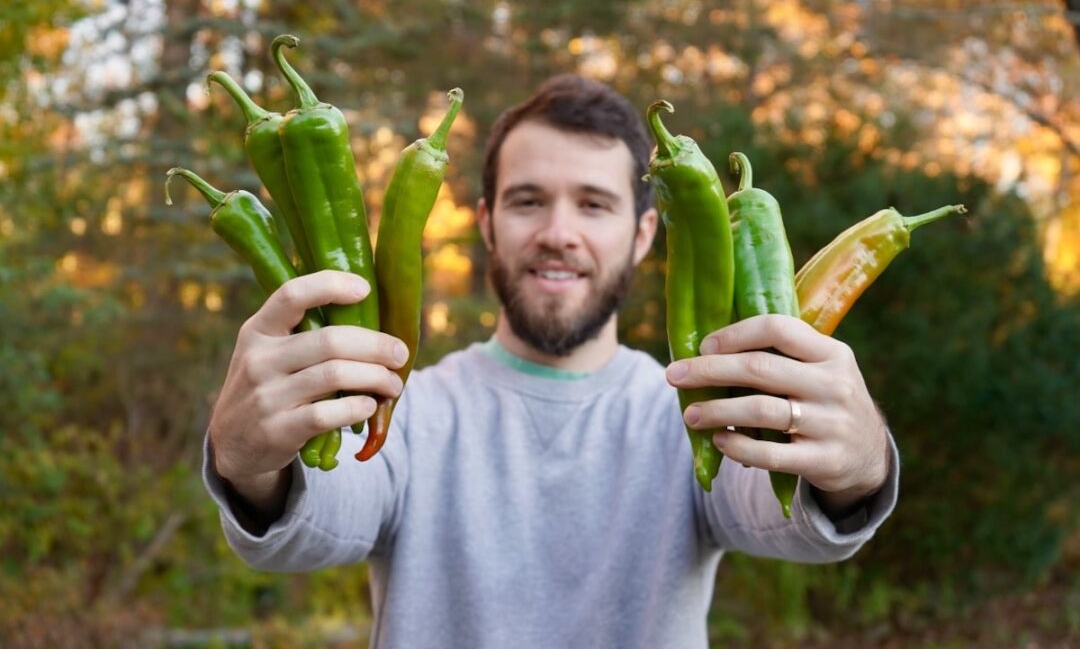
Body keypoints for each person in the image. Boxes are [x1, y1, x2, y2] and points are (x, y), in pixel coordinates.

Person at [204, 74, 897, 648]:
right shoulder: (400, 400)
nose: (558, 234)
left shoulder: (698, 407)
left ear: (644, 233)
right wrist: (248, 463)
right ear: (486, 226)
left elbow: (794, 521)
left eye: (594, 205)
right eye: (528, 201)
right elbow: (311, 525)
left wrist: (860, 462)